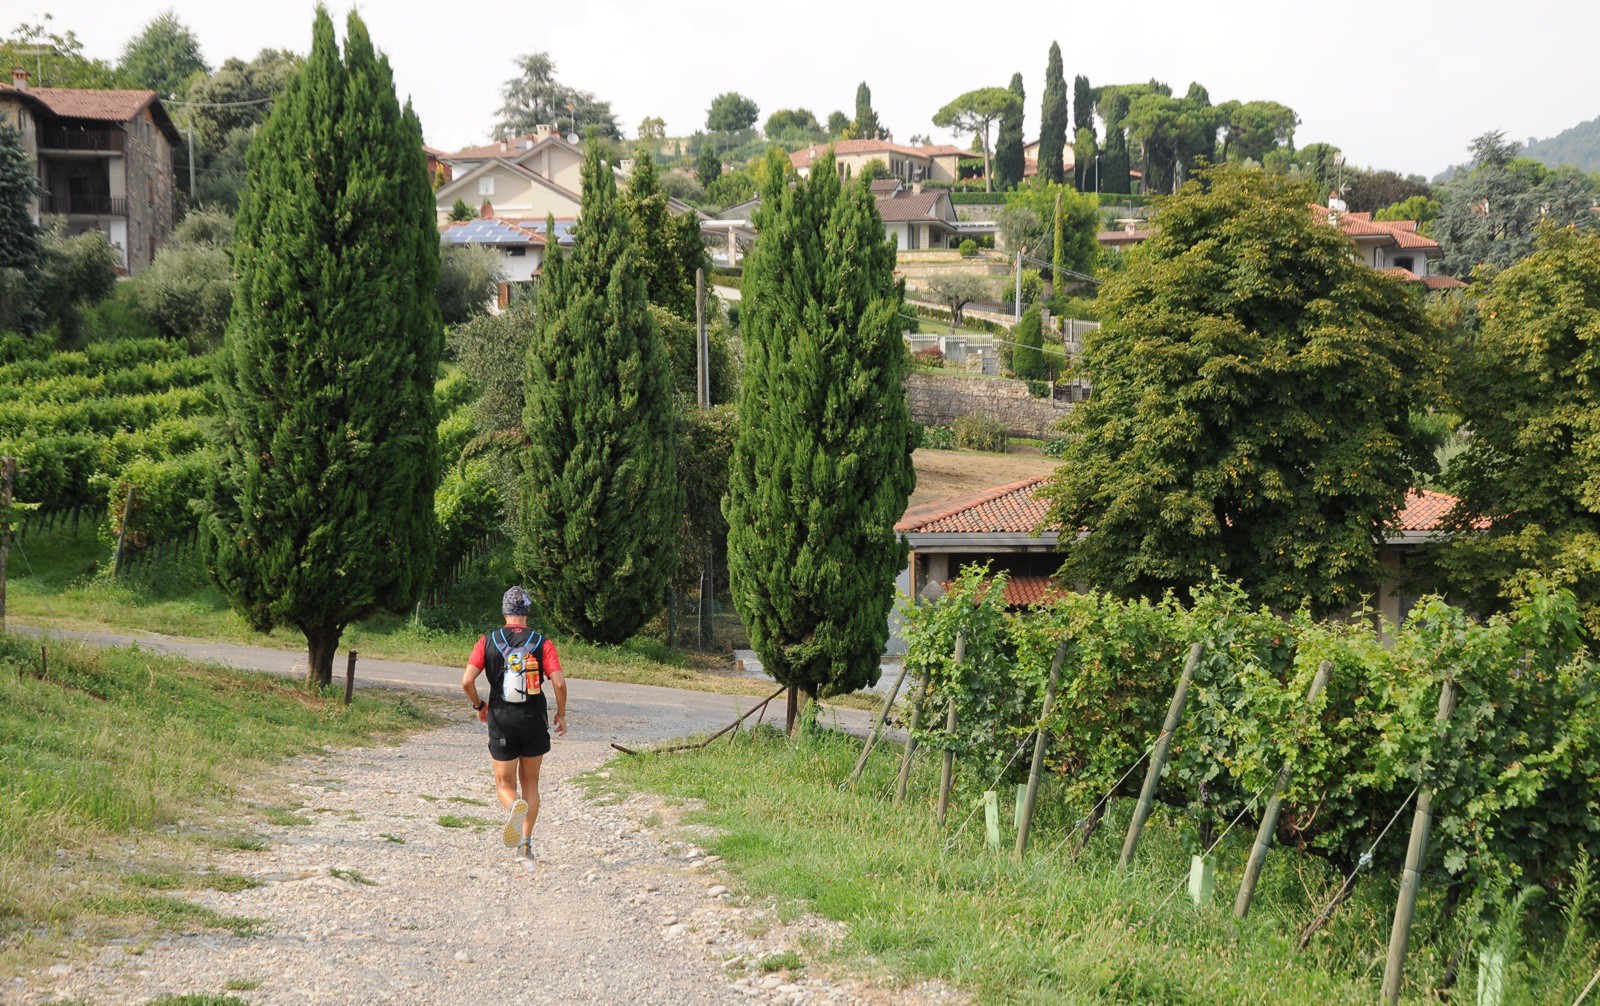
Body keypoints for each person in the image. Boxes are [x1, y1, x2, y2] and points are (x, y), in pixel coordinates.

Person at [461, 585, 568, 867]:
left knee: (505, 783)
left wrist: (479, 706)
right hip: (533, 721)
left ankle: (512, 807)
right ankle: (525, 845)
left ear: (504, 611)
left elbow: (466, 681)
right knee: (531, 782)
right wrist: (561, 713)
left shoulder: (487, 641)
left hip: (501, 720)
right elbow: (558, 682)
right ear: (527, 612)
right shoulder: (542, 642)